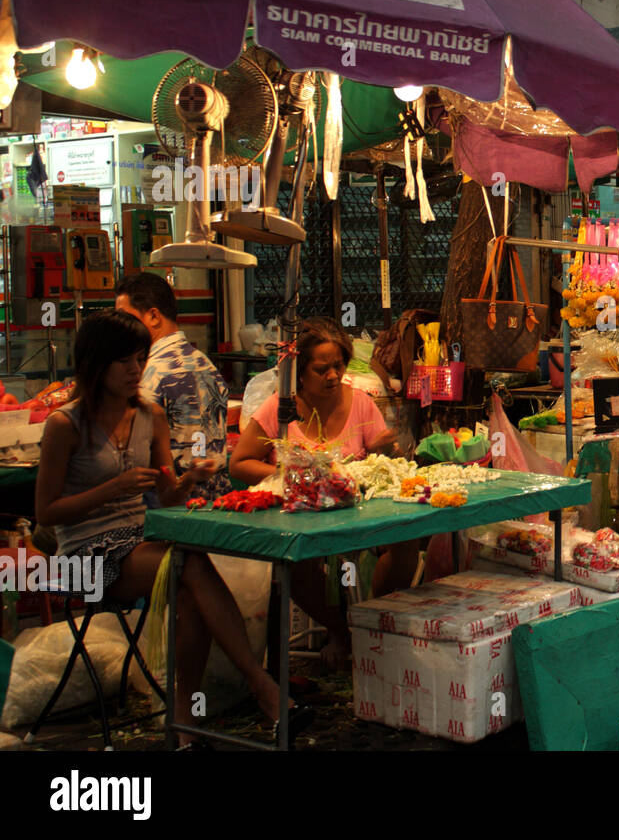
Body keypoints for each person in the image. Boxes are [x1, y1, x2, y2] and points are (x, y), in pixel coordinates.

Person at [34, 311, 305, 746]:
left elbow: (165, 500)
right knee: (188, 563)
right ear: (94, 364)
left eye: (140, 359)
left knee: (188, 583)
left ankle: (183, 725)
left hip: (140, 539)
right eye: (123, 361)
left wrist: (191, 479)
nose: (134, 371)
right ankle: (261, 689)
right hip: (80, 559)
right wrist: (114, 488)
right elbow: (45, 513)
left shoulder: (150, 415)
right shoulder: (65, 424)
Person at [230, 317, 400, 669]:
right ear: (299, 374)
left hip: (357, 515)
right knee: (296, 557)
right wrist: (292, 474)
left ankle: (376, 627)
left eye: (338, 366)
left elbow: (381, 465)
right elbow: (240, 463)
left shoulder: (362, 404)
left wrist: (388, 451)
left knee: (406, 540)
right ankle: (343, 630)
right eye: (322, 369)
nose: (334, 376)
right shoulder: (280, 408)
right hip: (303, 516)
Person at [114, 272, 232, 502]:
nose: (121, 328)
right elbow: (199, 445)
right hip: (217, 499)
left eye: (125, 318)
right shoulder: (205, 363)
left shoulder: (148, 374)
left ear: (154, 316)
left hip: (172, 504)